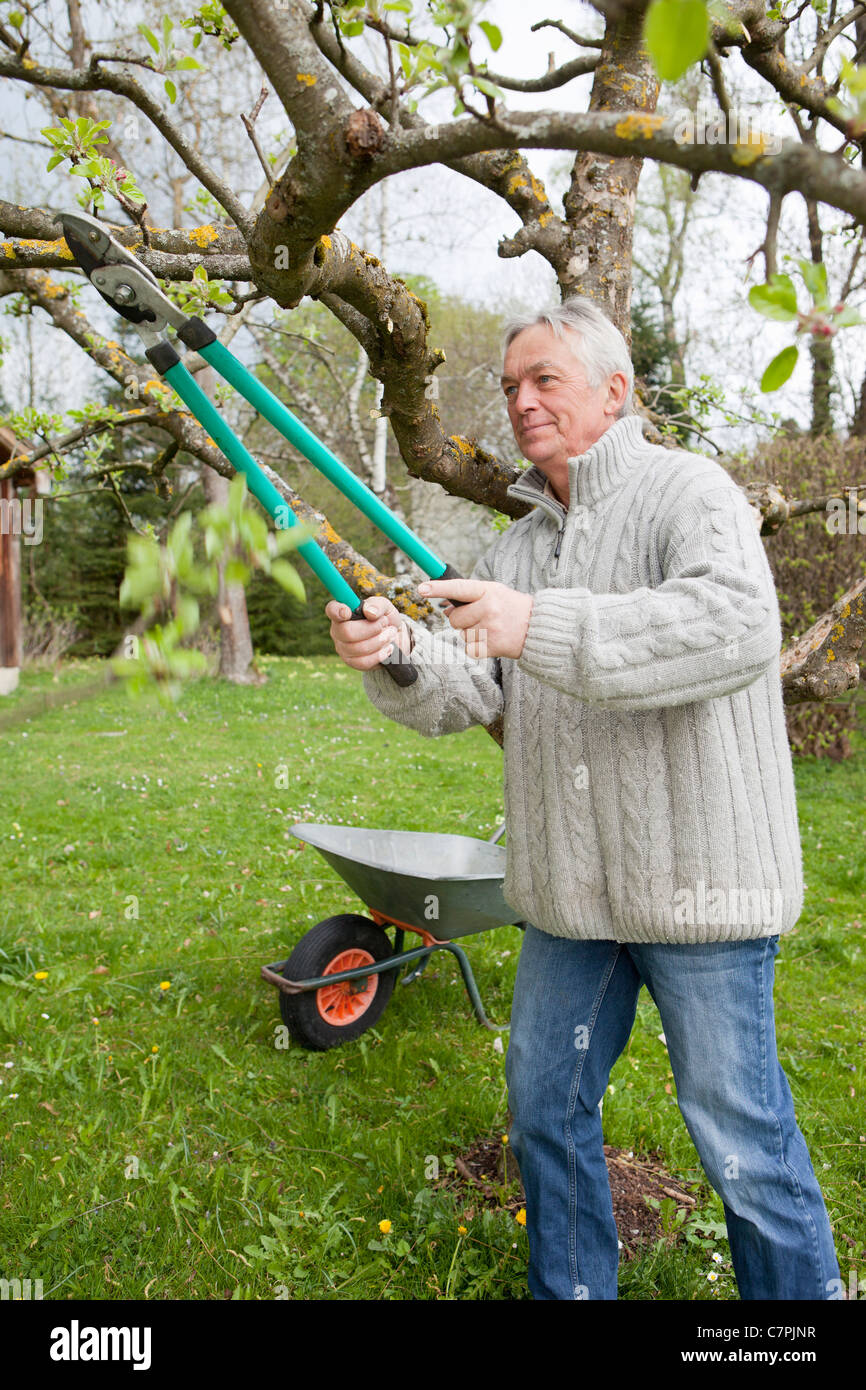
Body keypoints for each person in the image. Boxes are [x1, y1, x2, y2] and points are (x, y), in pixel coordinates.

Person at [325, 296, 840, 1301]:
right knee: (543, 1111)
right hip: (568, 897)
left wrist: (534, 624)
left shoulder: (689, 493)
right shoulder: (520, 545)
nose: (519, 399)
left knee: (738, 1136)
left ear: (614, 390)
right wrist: (396, 655)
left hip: (699, 891)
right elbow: (469, 687)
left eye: (542, 379)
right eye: (509, 385)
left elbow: (730, 628)